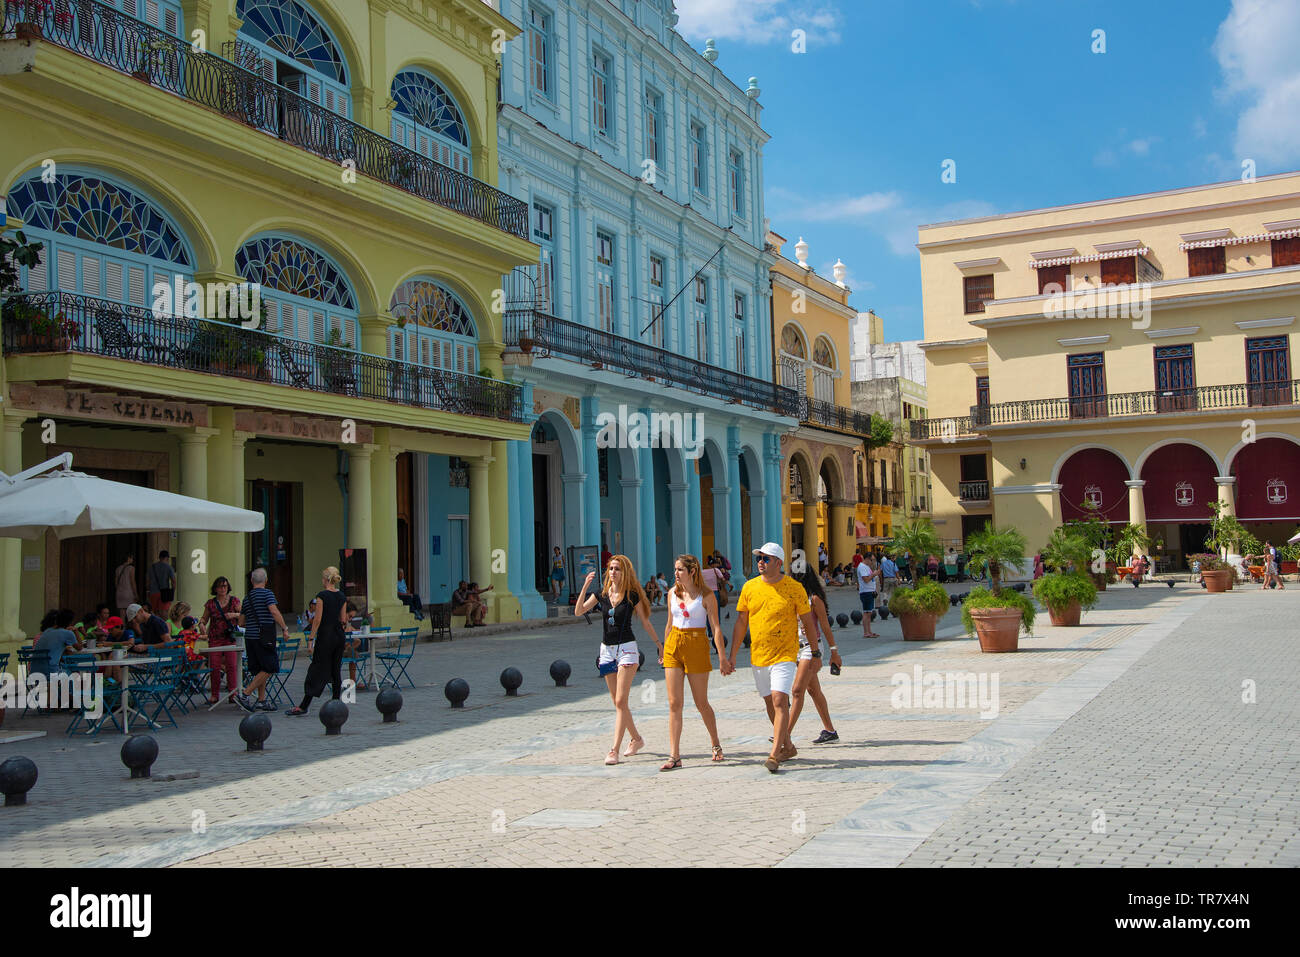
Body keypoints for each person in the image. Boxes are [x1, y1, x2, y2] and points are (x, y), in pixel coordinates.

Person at [729, 542, 817, 773]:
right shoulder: (749, 587)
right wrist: (732, 655)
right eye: (759, 557)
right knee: (770, 702)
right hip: (759, 656)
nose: (761, 562)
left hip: (786, 654)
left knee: (780, 700)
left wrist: (816, 652)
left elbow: (808, 622)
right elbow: (741, 622)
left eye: (766, 559)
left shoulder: (794, 588)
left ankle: (774, 754)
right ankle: (787, 746)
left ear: (778, 563)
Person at [575, 553, 661, 766]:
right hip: (606, 651)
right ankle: (637, 739)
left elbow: (645, 622)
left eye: (618, 569)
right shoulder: (601, 594)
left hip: (627, 650)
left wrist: (659, 645)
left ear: (625, 572)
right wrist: (585, 587)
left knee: (621, 701)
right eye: (611, 568)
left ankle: (613, 749)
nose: (613, 572)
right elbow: (578, 611)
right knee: (617, 703)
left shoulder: (632, 595)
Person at [659, 554, 729, 770]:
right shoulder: (672, 593)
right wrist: (663, 648)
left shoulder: (707, 595)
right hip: (674, 645)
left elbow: (716, 628)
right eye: (675, 569)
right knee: (674, 703)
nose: (676, 574)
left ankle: (715, 743)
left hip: (697, 644)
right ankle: (674, 755)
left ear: (692, 571)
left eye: (680, 570)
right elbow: (669, 624)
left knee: (701, 702)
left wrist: (723, 657)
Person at [286, 567, 351, 716]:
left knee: (317, 669)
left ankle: (304, 705)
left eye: (322, 578)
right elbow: (343, 619)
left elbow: (317, 619)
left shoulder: (322, 596)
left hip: (326, 635)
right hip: (338, 635)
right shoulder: (341, 596)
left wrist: (311, 639)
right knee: (336, 669)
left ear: (326, 579)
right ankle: (336, 703)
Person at [789, 568, 842, 745]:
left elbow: (826, 627)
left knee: (797, 690)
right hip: (794, 648)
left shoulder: (814, 599)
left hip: (811, 648)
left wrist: (834, 652)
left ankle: (783, 734)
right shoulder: (792, 598)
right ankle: (830, 730)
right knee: (813, 690)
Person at [234, 568, 290, 712]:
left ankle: (261, 700)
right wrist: (284, 628)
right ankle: (245, 694)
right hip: (263, 637)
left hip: (250, 638)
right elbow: (274, 611)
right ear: (266, 580)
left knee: (259, 669)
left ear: (252, 581)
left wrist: (253, 622)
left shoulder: (247, 598)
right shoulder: (267, 594)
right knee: (270, 667)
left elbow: (240, 622)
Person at [200, 576, 241, 705]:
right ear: (215, 588)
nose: (223, 589)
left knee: (232, 665)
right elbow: (204, 619)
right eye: (220, 586)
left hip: (230, 637)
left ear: (228, 587)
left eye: (225, 586)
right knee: (214, 666)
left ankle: (232, 693)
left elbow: (244, 615)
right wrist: (201, 625)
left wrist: (234, 615)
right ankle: (214, 694)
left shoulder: (234, 601)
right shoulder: (211, 603)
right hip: (215, 637)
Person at [33, 609, 82, 677]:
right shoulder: (68, 633)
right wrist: (76, 631)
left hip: (34, 670)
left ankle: (51, 686)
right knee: (74, 673)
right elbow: (80, 647)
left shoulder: (47, 631)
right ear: (70, 622)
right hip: (51, 670)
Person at [857, 553, 881, 638]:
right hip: (866, 592)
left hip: (870, 591)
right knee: (866, 612)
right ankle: (866, 632)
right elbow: (866, 579)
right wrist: (874, 574)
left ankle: (869, 631)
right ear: (867, 559)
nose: (872, 562)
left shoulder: (866, 567)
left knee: (869, 612)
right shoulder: (862, 567)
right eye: (872, 560)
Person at [147, 550, 176, 616]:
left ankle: (156, 625)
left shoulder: (152, 567)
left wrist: (148, 591)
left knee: (155, 612)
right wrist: (172, 591)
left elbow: (148, 581)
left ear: (159, 557)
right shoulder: (169, 567)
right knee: (164, 612)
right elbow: (173, 581)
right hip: (165, 593)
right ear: (167, 558)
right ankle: (163, 625)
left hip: (153, 593)